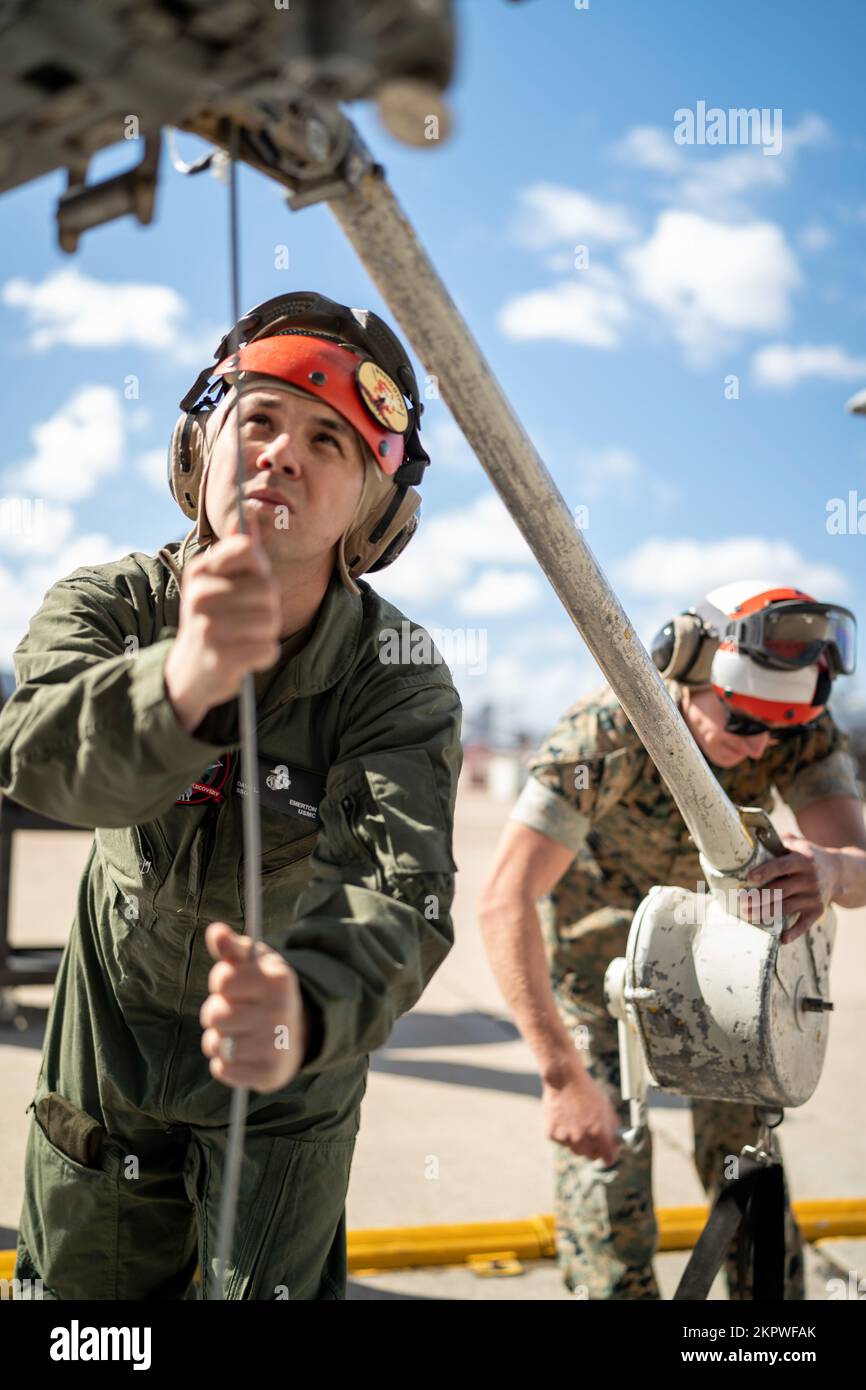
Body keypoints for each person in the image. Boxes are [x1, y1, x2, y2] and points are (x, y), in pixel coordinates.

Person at [0, 291, 463, 1300]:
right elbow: (35, 758)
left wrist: (302, 1004)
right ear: (198, 451)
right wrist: (180, 684)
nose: (281, 453)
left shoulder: (395, 674)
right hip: (108, 1045)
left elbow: (403, 894)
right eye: (256, 419)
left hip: (287, 1066)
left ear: (372, 509)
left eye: (328, 439)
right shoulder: (110, 605)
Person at [479, 582, 866, 1300]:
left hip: (724, 966)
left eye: (778, 731)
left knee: (746, 1171)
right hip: (604, 972)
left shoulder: (792, 723)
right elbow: (505, 898)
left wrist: (834, 869)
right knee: (607, 1180)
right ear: (688, 665)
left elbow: (858, 859)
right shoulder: (605, 733)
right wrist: (561, 1074)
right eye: (743, 720)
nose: (758, 745)